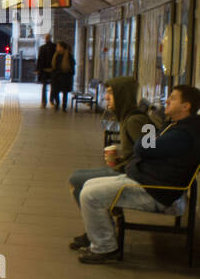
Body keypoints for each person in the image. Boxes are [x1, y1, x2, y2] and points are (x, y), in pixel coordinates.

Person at [74, 84, 200, 263]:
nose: (167, 100)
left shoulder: (182, 135)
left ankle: (104, 247)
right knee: (88, 185)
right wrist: (155, 130)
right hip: (147, 179)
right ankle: (104, 238)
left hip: (156, 192)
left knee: (90, 195)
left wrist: (151, 132)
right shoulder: (176, 126)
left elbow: (141, 147)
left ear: (186, 106)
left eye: (172, 98)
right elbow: (148, 142)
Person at [68, 76, 153, 233]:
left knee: (77, 179)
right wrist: (122, 158)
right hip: (126, 168)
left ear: (122, 95)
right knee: (77, 180)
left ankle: (100, 230)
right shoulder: (130, 117)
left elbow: (150, 154)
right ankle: (99, 226)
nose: (106, 96)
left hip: (131, 175)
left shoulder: (136, 121)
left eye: (111, 93)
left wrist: (125, 164)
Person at [50, 40, 75, 111]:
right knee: (55, 91)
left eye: (58, 46)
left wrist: (70, 74)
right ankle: (57, 103)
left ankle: (64, 106)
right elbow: (54, 65)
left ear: (62, 47)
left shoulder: (69, 55)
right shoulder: (56, 55)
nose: (56, 48)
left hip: (65, 76)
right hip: (56, 76)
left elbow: (72, 66)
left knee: (65, 92)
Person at [36, 33, 56, 107]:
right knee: (51, 86)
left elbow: (39, 59)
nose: (46, 39)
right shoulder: (55, 47)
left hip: (45, 69)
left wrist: (38, 69)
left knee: (45, 86)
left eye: (46, 38)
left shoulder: (42, 47)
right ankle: (51, 101)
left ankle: (44, 102)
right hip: (51, 69)